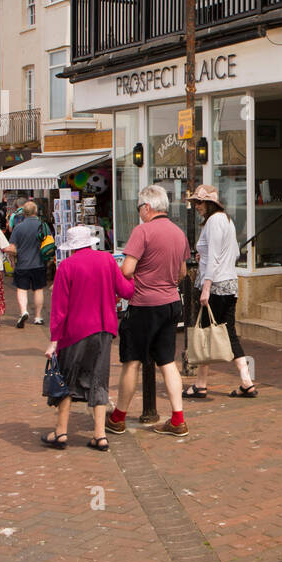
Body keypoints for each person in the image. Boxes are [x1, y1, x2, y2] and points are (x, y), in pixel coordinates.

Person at [107, 185, 191, 437]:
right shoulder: (178, 233)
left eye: (139, 208)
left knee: (132, 361)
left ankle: (118, 417)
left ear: (147, 207)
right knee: (167, 361)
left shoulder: (142, 231)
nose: (139, 213)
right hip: (171, 303)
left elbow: (127, 270)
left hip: (144, 305)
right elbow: (183, 273)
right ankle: (178, 419)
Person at [42, 225, 135, 451]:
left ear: (72, 247)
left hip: (75, 331)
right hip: (104, 329)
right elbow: (126, 291)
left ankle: (61, 432)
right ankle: (100, 435)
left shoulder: (66, 267)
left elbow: (59, 309)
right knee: (99, 379)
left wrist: (54, 340)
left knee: (66, 378)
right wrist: (134, 278)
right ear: (90, 242)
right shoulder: (106, 260)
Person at [185, 185, 256, 398]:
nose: (196, 206)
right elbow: (232, 253)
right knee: (229, 332)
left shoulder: (214, 221)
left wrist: (206, 288)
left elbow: (215, 255)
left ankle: (200, 384)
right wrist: (203, 257)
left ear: (210, 203)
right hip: (229, 284)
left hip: (215, 285)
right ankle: (246, 381)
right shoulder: (226, 220)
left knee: (206, 334)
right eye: (195, 202)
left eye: (199, 202)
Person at [9, 201, 50, 327]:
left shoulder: (18, 227)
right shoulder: (43, 226)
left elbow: (11, 247)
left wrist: (12, 261)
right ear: (36, 211)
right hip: (39, 263)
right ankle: (38, 316)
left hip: (22, 263)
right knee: (38, 290)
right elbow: (49, 243)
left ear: (24, 213)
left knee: (22, 289)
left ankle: (24, 311)